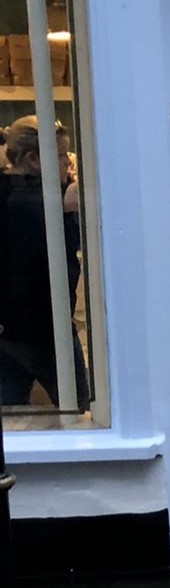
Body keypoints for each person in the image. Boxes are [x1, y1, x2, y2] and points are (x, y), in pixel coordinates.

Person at [0, 115, 87, 409]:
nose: (68, 163)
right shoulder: (39, 197)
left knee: (9, 417)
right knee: (83, 412)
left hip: (8, 329)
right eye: (62, 155)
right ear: (34, 159)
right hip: (48, 329)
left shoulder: (9, 189)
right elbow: (75, 197)